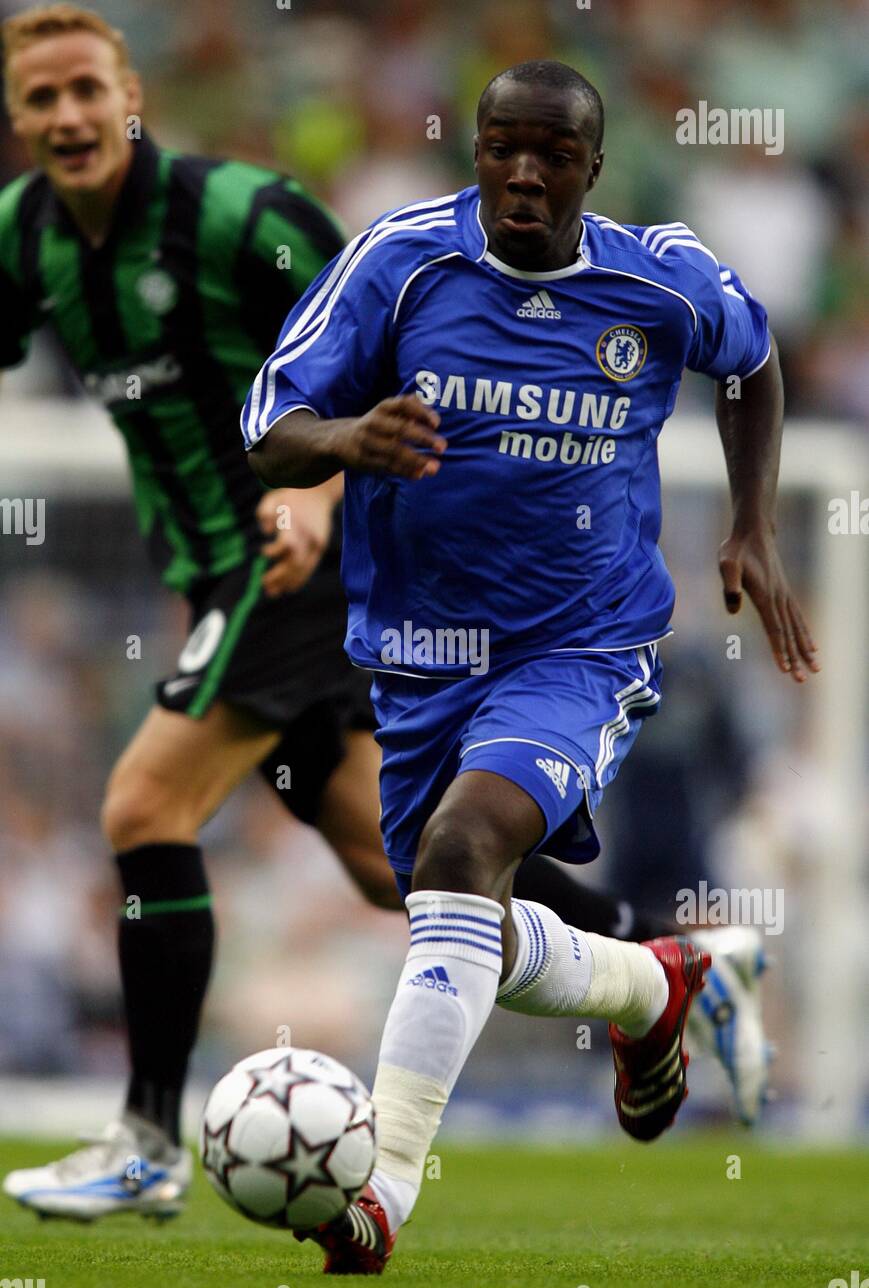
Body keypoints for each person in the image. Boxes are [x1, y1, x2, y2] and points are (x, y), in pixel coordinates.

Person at [0, 11, 765, 1223]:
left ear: (128, 92)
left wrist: (319, 475)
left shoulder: (249, 217)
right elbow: (272, 402)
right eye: (37, 99)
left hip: (333, 577)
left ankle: (173, 1141)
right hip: (369, 619)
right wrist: (341, 438)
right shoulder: (26, 235)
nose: (67, 117)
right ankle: (655, 971)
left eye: (86, 89)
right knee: (407, 875)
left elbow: (324, 335)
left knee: (149, 804)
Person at [245, 59, 819, 1273]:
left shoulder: (654, 277)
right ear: (475, 150)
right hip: (414, 656)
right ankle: (654, 988)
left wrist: (754, 524)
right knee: (458, 920)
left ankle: (382, 1192)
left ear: (589, 168)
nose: (520, 170)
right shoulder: (399, 263)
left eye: (549, 152)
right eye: (499, 144)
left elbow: (753, 361)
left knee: (462, 852)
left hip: (581, 643)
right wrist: (350, 435)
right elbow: (269, 427)